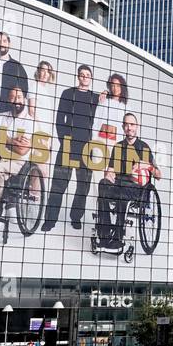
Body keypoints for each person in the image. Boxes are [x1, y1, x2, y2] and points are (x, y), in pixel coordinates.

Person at [93, 114, 162, 253]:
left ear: (137, 127)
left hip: (137, 189)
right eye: (127, 124)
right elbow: (110, 169)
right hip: (119, 185)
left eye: (132, 125)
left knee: (122, 191)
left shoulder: (144, 147)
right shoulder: (118, 147)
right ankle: (105, 236)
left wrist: (147, 166)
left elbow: (159, 175)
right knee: (103, 183)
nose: (129, 127)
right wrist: (109, 175)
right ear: (123, 127)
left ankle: (118, 239)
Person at [42, 65, 99, 232]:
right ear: (78, 77)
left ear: (91, 78)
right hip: (68, 144)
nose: (84, 77)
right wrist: (64, 139)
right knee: (58, 183)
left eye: (88, 75)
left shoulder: (95, 98)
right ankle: (50, 220)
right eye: (82, 75)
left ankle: (76, 217)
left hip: (87, 146)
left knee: (83, 185)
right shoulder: (68, 94)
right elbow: (60, 118)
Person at [97, 73, 137, 143]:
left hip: (118, 142)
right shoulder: (104, 101)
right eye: (113, 85)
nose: (115, 88)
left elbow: (128, 128)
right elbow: (97, 120)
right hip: (101, 140)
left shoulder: (126, 108)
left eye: (118, 86)